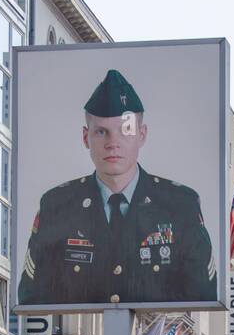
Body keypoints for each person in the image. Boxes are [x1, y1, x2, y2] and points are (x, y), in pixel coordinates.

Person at [19, 69, 215, 308]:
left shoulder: (180, 205)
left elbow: (203, 296)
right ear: (85, 137)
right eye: (102, 132)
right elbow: (32, 298)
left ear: (141, 135)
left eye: (125, 130)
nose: (113, 143)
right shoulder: (57, 206)